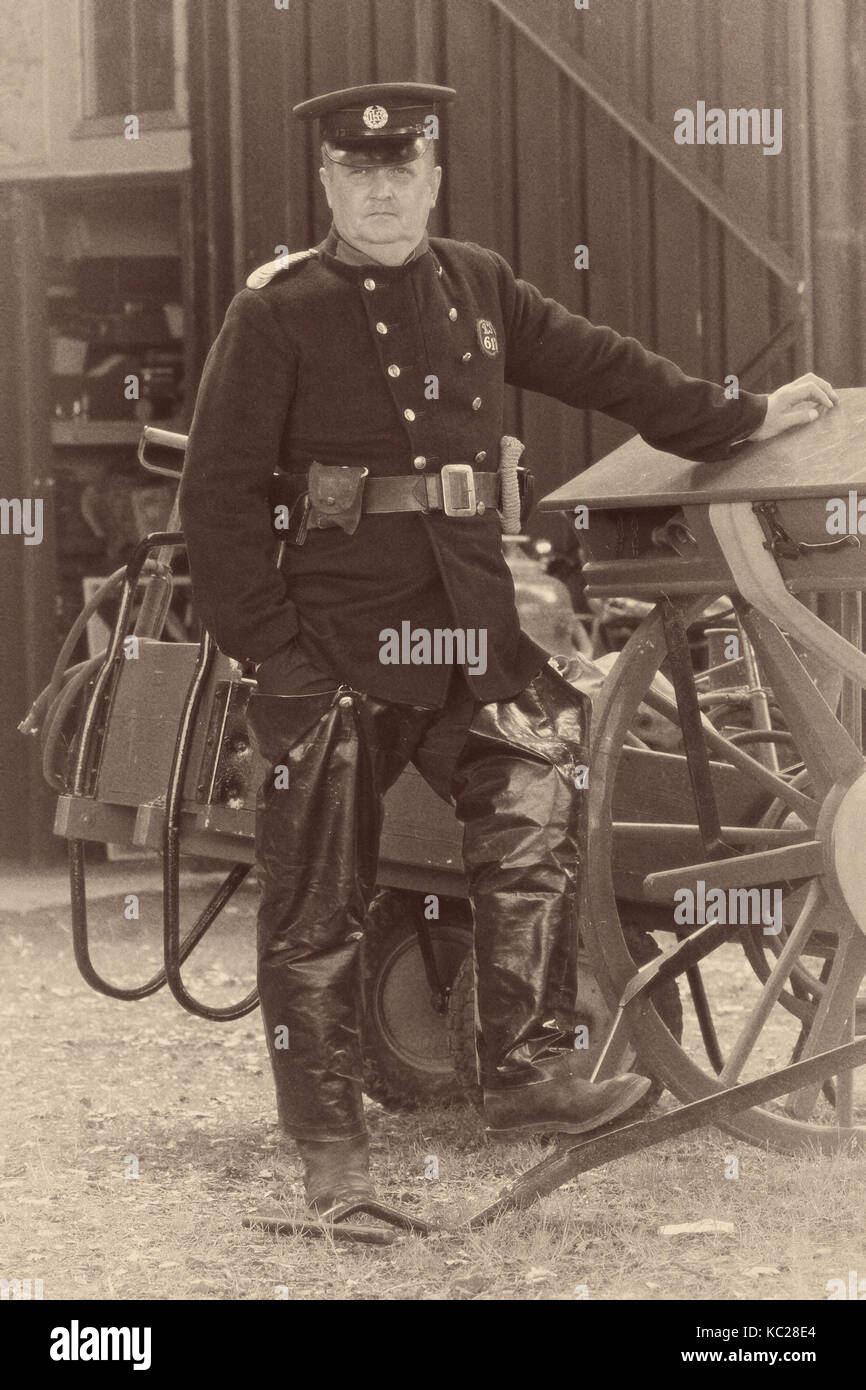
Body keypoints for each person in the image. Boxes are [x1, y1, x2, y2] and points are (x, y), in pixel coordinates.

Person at [179, 82, 838, 1218]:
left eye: (402, 173)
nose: (382, 192)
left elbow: (604, 366)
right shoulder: (276, 313)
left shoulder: (474, 283)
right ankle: (332, 1161)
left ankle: (525, 1072)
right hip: (330, 653)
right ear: (327, 184)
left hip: (468, 642)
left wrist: (737, 416)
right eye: (359, 174)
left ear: (432, 180)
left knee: (536, 788)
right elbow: (218, 502)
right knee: (314, 907)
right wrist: (275, 653)